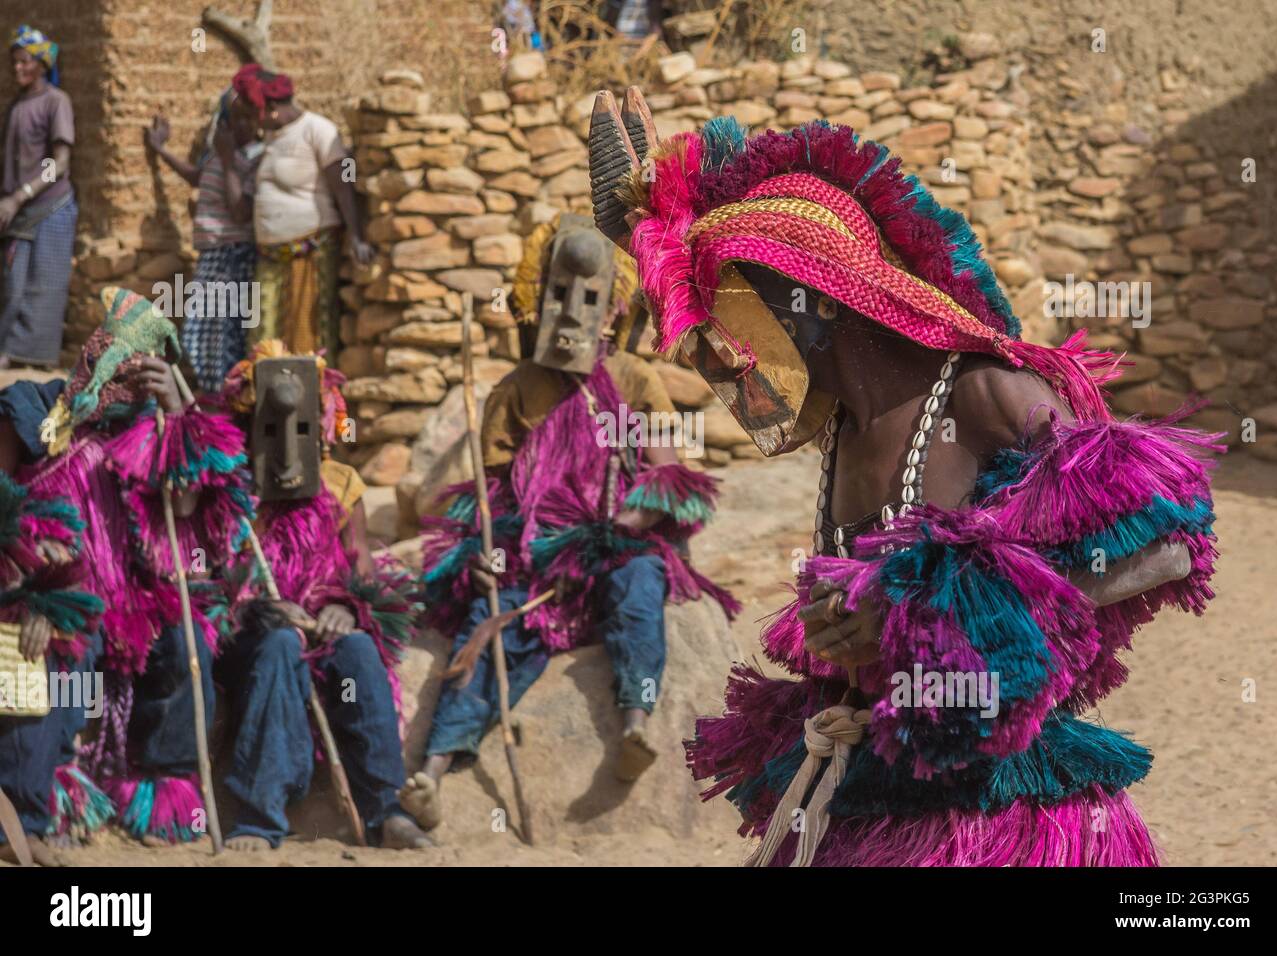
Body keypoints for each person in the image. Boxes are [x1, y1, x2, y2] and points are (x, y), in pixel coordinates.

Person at [587, 97, 1222, 866]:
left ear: (816, 296)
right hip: (870, 788)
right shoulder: (843, 432)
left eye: (735, 316)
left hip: (995, 817)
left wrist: (917, 609)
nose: (722, 357)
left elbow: (1169, 547)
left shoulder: (985, 394)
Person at [399, 214, 738, 832]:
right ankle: (434, 768)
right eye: (560, 295)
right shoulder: (517, 390)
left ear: (613, 310)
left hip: (617, 546)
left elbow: (671, 480)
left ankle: (635, 724)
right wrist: (487, 555)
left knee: (638, 592)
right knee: (488, 624)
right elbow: (493, 499)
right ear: (539, 300)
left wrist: (622, 525)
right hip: (536, 559)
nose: (576, 311)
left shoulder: (635, 379)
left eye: (591, 300)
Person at [7, 286, 254, 845]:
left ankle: (161, 789)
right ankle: (42, 805)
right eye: (104, 358)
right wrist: (32, 582)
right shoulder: (33, 411)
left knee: (187, 638)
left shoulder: (152, 434)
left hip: (133, 594)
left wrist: (173, 410)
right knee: (69, 649)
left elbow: (188, 505)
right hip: (51, 587)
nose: (111, 378)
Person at [212, 341, 429, 851]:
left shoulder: (341, 485)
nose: (288, 448)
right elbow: (211, 585)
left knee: (356, 649)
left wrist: (344, 607)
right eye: (271, 430)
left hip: (323, 637)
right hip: (251, 644)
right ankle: (258, 816)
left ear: (321, 426)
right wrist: (259, 610)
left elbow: (367, 579)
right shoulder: (233, 489)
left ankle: (385, 808)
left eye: (302, 429)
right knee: (280, 646)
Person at [230, 64, 373, 363]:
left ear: (269, 108)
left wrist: (357, 236)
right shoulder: (271, 138)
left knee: (309, 335)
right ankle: (269, 407)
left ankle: (316, 406)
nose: (248, 120)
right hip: (270, 255)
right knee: (264, 342)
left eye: (250, 112)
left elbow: (345, 183)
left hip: (311, 252)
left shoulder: (318, 131)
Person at [0, 465, 103, 866]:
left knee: (72, 649)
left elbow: (65, 583)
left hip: (94, 626)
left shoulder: (46, 514)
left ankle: (64, 760)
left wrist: (42, 605)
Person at [146, 90, 264, 394]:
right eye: (234, 117)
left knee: (221, 336)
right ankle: (217, 398)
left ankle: (224, 403)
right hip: (213, 253)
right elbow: (197, 177)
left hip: (233, 254)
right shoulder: (222, 154)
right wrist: (160, 149)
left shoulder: (254, 158)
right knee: (204, 335)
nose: (240, 125)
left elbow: (241, 211)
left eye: (248, 118)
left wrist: (227, 160)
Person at [0, 25, 76, 369]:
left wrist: (21, 195)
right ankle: (11, 351)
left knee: (45, 286)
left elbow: (59, 164)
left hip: (50, 206)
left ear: (43, 65)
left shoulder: (56, 102)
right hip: (18, 207)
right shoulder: (16, 107)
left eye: (25, 62)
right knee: (13, 285)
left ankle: (37, 357)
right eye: (14, 63)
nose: (18, 69)